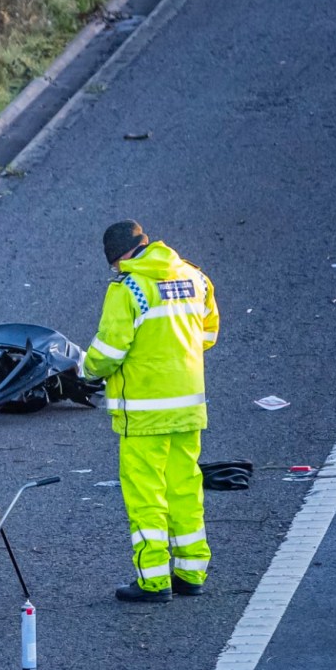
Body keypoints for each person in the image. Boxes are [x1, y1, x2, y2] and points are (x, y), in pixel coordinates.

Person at [80, 221, 219, 603]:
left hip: (143, 412)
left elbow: (109, 352)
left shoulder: (128, 289)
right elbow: (207, 334)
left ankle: (153, 581)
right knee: (185, 489)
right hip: (187, 405)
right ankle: (191, 572)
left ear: (118, 257)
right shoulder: (194, 277)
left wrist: (85, 370)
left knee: (146, 496)